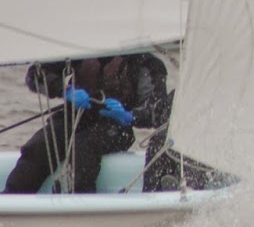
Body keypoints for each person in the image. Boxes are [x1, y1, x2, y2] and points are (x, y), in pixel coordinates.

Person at [3, 54, 171, 195]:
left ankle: (82, 204)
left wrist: (129, 116)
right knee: (40, 145)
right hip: (75, 116)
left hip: (117, 127)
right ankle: (10, 198)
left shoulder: (145, 63)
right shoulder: (79, 52)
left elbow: (156, 110)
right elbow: (35, 74)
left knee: (83, 146)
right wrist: (65, 90)